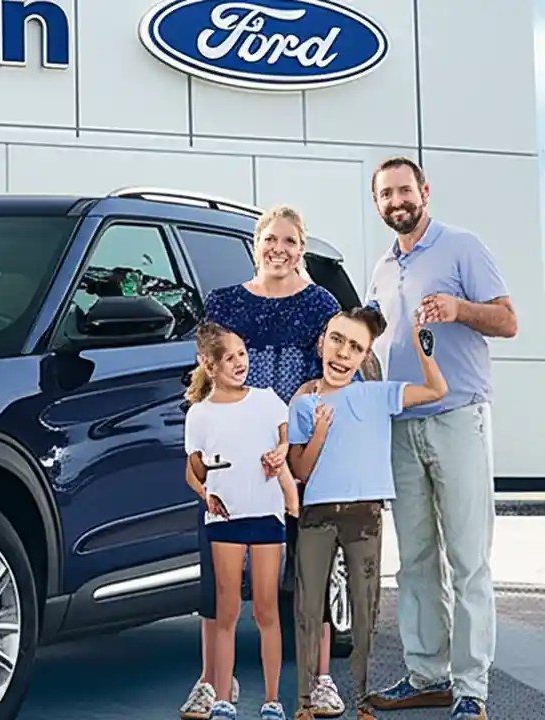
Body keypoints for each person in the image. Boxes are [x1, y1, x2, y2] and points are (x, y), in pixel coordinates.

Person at [362, 157, 517, 720]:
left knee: (468, 559)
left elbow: (507, 321)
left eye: (405, 190)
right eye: (386, 194)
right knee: (417, 558)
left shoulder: (463, 247)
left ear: (424, 191)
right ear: (377, 203)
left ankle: (471, 687)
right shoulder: (382, 266)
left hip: (458, 417)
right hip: (403, 424)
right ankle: (428, 675)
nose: (397, 201)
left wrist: (458, 309)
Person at [180, 205, 346, 720]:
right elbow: (204, 375)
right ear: (256, 244)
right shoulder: (224, 303)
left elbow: (336, 371)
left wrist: (305, 407)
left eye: (290, 241)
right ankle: (213, 681)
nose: (279, 248)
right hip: (233, 458)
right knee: (220, 578)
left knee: (309, 568)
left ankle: (320, 680)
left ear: (303, 249)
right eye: (270, 238)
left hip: (298, 454)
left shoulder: (322, 302)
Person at [288, 307, 449, 720]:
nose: (343, 353)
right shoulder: (304, 402)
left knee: (365, 608)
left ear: (365, 358)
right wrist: (320, 431)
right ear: (322, 341)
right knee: (308, 607)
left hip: (365, 517)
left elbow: (436, 391)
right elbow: (299, 469)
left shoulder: (379, 395)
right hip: (316, 515)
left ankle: (361, 700)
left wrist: (422, 348)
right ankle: (305, 702)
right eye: (337, 340)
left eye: (355, 347)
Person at [183, 321, 300, 720]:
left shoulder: (268, 401)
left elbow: (286, 442)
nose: (239, 363)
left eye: (242, 354)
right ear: (209, 364)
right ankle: (222, 701)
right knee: (227, 610)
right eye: (229, 357)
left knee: (266, 610)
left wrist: (280, 454)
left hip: (267, 517)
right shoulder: (199, 415)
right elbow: (193, 471)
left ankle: (272, 701)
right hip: (225, 522)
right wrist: (206, 494)